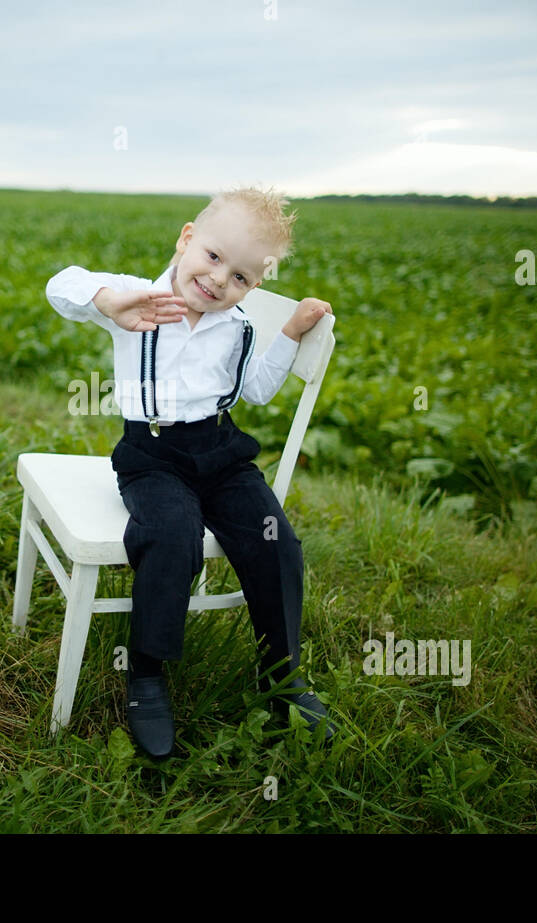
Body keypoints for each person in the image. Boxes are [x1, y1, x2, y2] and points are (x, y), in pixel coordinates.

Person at [45, 187, 334, 758]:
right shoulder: (138, 296)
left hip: (220, 452)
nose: (221, 280)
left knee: (275, 539)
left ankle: (282, 675)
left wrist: (290, 334)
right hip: (152, 457)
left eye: (242, 277)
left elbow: (252, 389)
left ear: (253, 286)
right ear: (186, 240)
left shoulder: (239, 326)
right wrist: (107, 300)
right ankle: (147, 675)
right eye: (213, 256)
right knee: (170, 534)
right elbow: (62, 283)